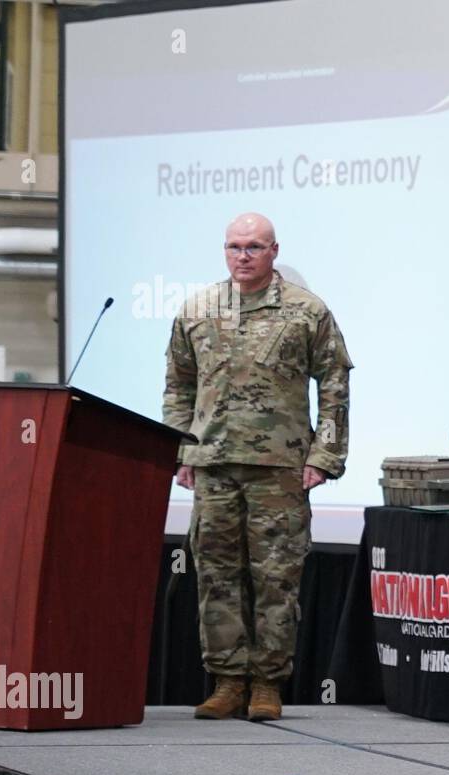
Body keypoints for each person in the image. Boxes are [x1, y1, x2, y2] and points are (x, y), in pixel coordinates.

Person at [162, 213, 353, 722]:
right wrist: (181, 451)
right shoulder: (198, 308)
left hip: (280, 467)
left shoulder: (306, 311)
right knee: (217, 577)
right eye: (233, 246)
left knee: (276, 577)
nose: (242, 255)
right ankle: (227, 681)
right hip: (214, 463)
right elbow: (178, 386)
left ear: (273, 251)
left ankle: (267, 683)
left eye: (253, 246)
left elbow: (334, 387)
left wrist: (324, 457)